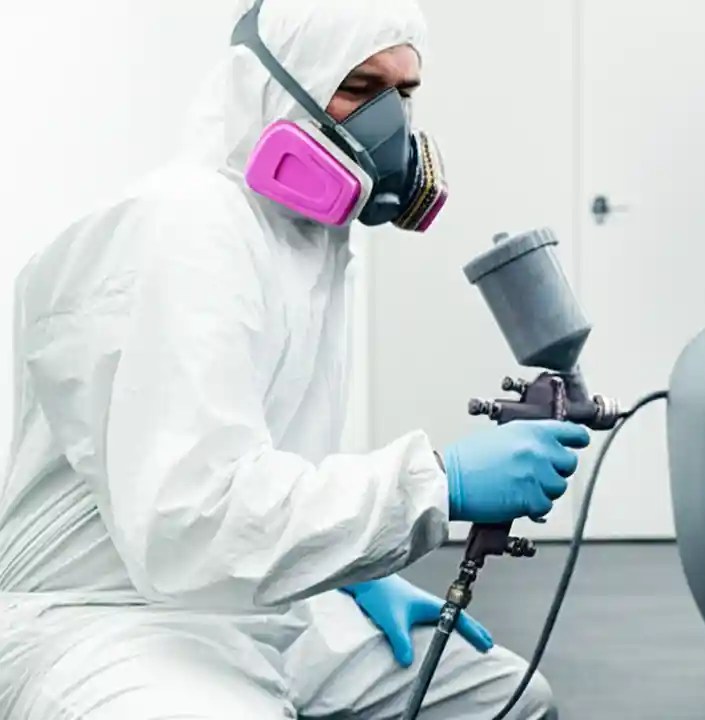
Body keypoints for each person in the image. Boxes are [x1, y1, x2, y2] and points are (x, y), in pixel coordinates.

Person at [0, 0, 586, 717]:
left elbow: (265, 460)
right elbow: (193, 520)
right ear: (272, 92)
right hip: (114, 621)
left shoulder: (311, 244)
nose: (391, 125)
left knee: (506, 699)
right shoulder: (184, 229)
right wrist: (436, 485)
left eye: (404, 93)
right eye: (360, 89)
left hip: (261, 606)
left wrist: (351, 575)